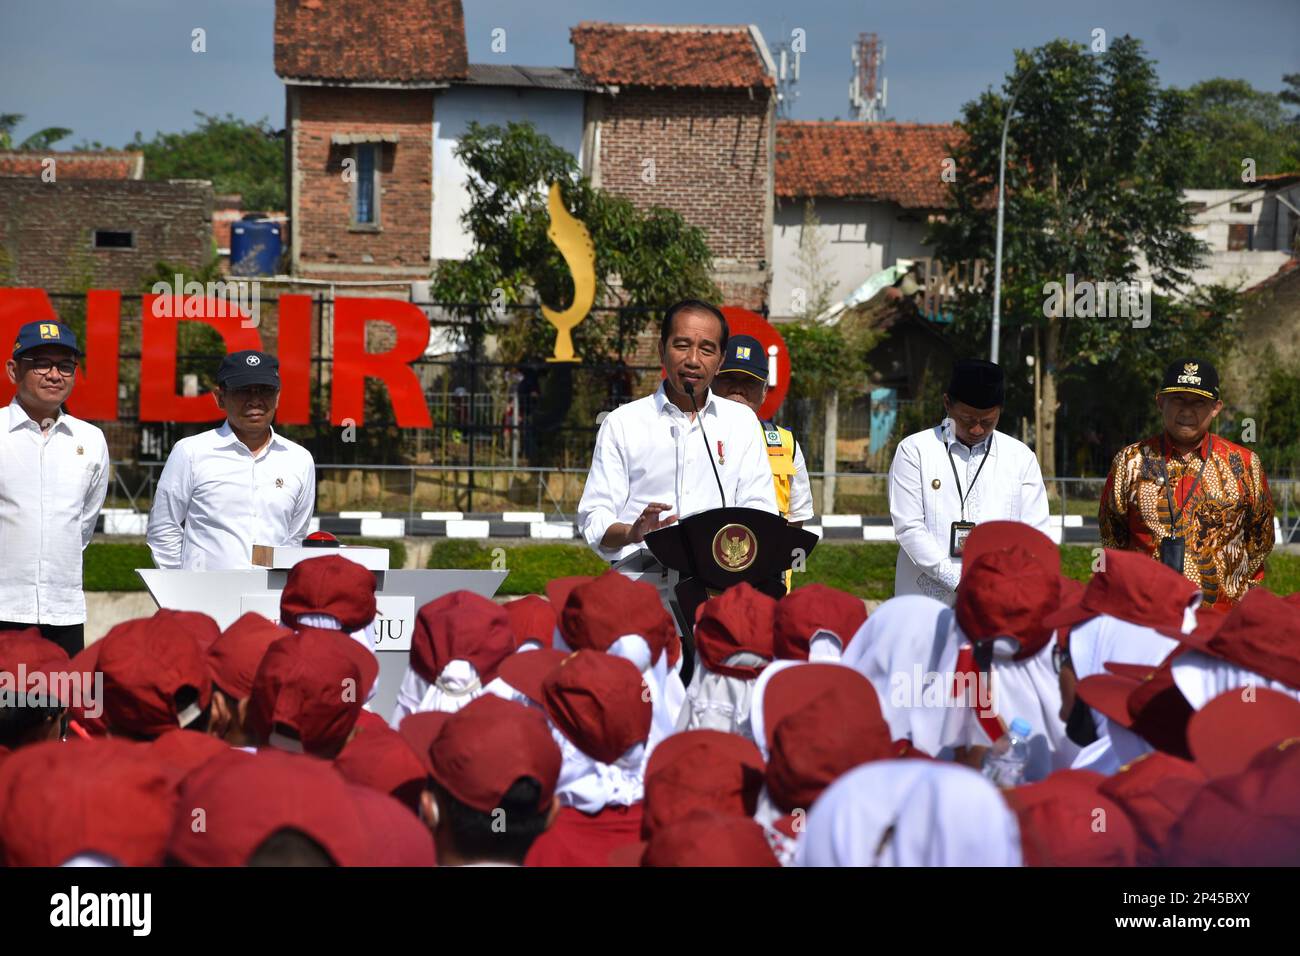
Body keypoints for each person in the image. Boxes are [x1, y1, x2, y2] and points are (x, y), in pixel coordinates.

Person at [578, 299, 779, 564]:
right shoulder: (622, 423)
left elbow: (760, 508)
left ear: (720, 362)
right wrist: (632, 532)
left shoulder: (741, 422)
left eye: (707, 350)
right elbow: (594, 517)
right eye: (682, 346)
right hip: (640, 582)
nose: (693, 360)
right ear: (662, 351)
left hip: (716, 585)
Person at [1099, 357, 1274, 611]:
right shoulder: (1130, 461)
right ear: (1160, 402)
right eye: (1178, 399)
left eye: (1199, 402)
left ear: (1216, 408)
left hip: (1221, 623)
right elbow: (1111, 534)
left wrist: (1234, 585)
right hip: (1146, 617)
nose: (1187, 411)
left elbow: (1261, 539)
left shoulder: (1245, 464)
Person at [887, 358, 1051, 604]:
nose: (976, 430)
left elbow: (1035, 532)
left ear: (1000, 412)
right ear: (947, 404)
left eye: (987, 422)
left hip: (996, 597)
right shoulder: (915, 450)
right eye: (967, 420)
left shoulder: (1020, 457)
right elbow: (908, 527)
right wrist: (960, 581)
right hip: (925, 600)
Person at [147, 350, 315, 571]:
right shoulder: (191, 452)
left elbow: (295, 538)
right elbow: (163, 528)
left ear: (278, 397)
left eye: (265, 390)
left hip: (269, 600)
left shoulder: (299, 459)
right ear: (220, 398)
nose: (255, 400)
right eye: (243, 390)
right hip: (203, 599)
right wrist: (182, 589)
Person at [0, 321, 110, 655]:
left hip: (63, 613)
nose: (54, 374)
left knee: (60, 706)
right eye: (41, 364)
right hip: (3, 607)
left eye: (65, 366)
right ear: (13, 370)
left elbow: (83, 526)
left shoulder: (90, 440)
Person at [711, 334, 813, 527]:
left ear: (764, 392)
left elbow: (796, 517)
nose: (738, 389)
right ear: (711, 383)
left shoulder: (785, 443)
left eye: (750, 381)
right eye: (729, 378)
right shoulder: (692, 435)